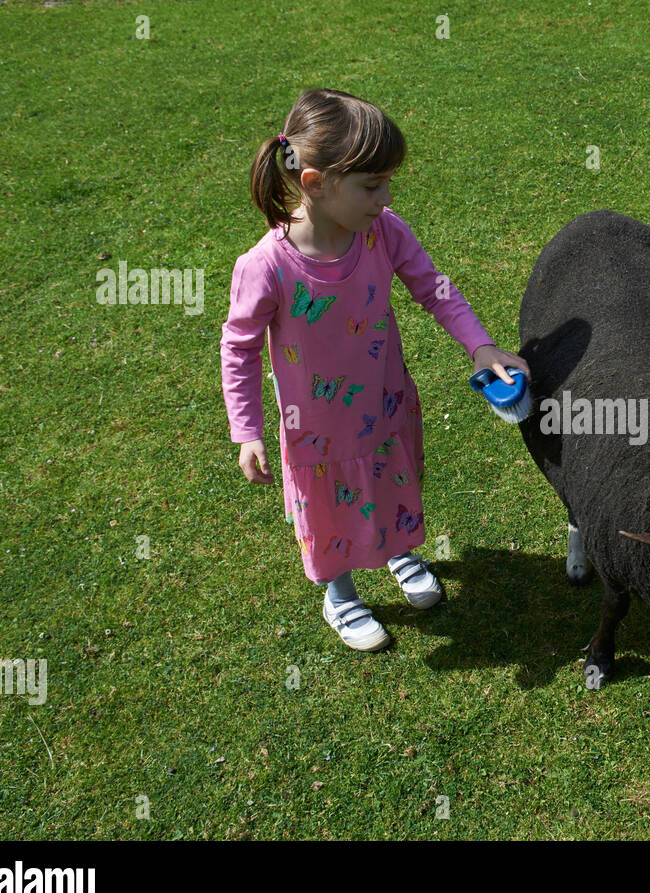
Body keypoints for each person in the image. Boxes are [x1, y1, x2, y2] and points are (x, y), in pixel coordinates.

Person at [221, 88, 529, 652]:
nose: (385, 197)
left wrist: (481, 348)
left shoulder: (382, 231)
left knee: (390, 479)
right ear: (314, 182)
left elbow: (434, 290)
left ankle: (398, 551)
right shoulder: (265, 266)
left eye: (388, 182)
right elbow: (238, 347)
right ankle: (339, 594)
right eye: (372, 185)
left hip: (384, 401)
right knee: (328, 507)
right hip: (316, 424)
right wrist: (247, 431)